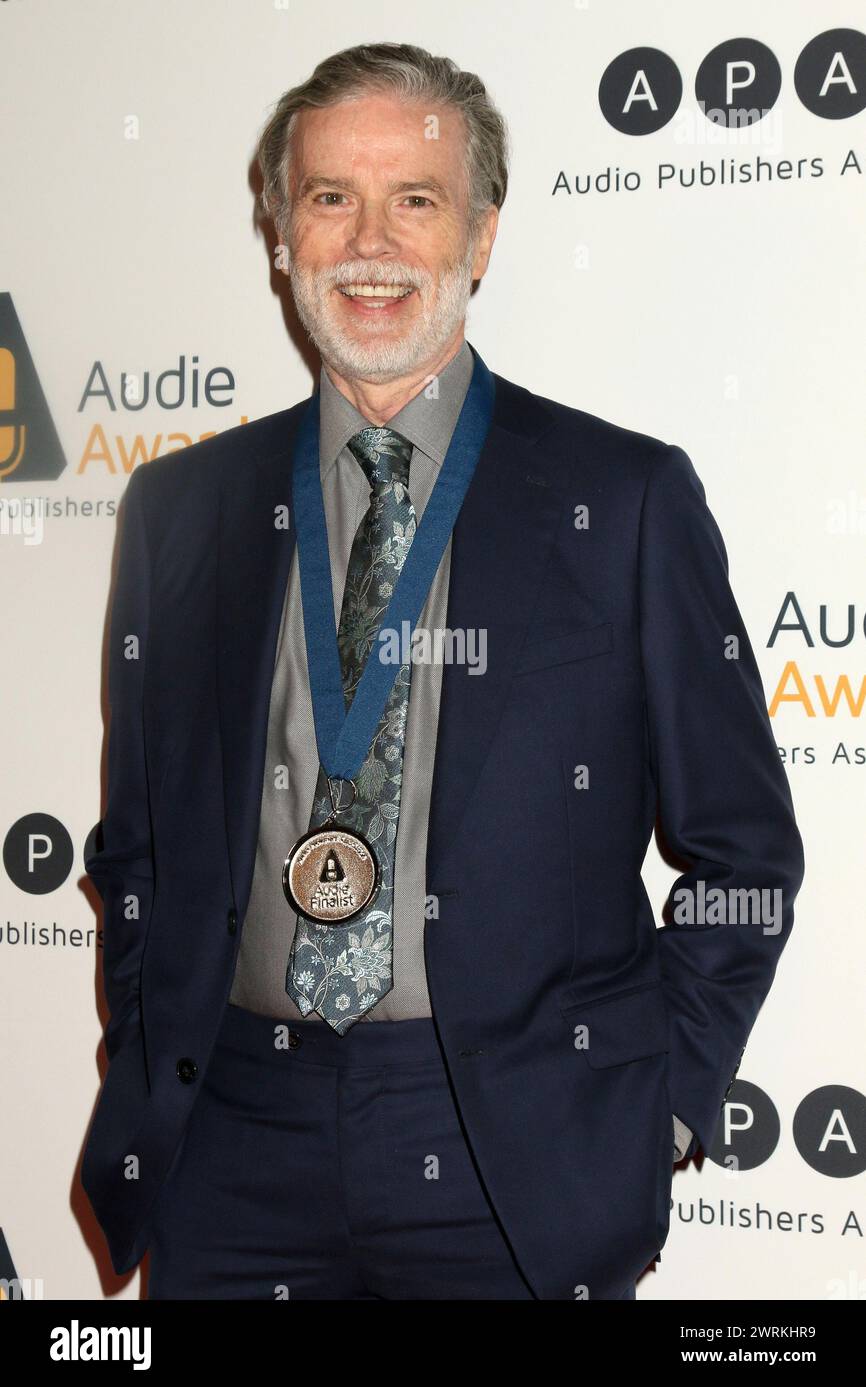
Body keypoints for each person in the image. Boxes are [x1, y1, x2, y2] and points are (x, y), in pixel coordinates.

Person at [81, 42, 804, 1300]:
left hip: (510, 1152)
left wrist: (659, 1108)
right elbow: (136, 841)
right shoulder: (177, 510)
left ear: (478, 237)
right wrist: (156, 1051)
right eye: (328, 198)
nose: (370, 241)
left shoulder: (620, 500)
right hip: (234, 1137)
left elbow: (742, 849)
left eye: (414, 200)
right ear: (278, 236)